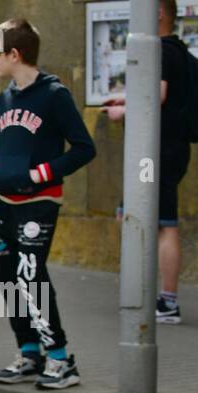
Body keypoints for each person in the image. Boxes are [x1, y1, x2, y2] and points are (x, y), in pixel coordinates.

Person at [0, 17, 96, 390]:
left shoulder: (54, 95)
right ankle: (29, 352)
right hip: (1, 202)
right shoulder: (4, 98)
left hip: (39, 201)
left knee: (31, 277)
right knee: (8, 280)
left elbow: (84, 148)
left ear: (15, 54)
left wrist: (40, 173)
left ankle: (61, 359)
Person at [104, 0, 190, 324]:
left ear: (156, 13)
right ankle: (144, 291)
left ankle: (166, 302)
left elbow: (158, 96)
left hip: (156, 155)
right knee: (130, 213)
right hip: (159, 152)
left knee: (162, 222)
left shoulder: (163, 51)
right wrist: (125, 101)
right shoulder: (173, 49)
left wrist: (121, 112)